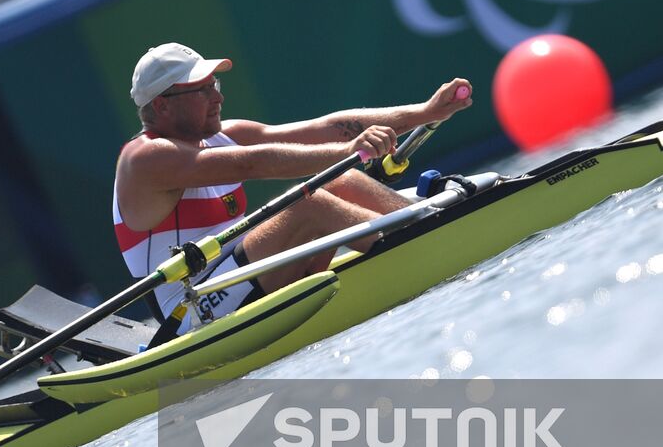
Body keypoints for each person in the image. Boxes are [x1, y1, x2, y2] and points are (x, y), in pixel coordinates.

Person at [114, 42, 472, 332]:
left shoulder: (224, 135)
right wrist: (348, 151)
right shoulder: (145, 158)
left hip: (239, 275)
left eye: (214, 86)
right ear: (161, 105)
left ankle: (432, 227)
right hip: (190, 308)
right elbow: (251, 164)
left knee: (341, 179)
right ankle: (431, 251)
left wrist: (426, 112)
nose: (218, 98)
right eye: (202, 90)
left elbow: (325, 129)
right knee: (308, 203)